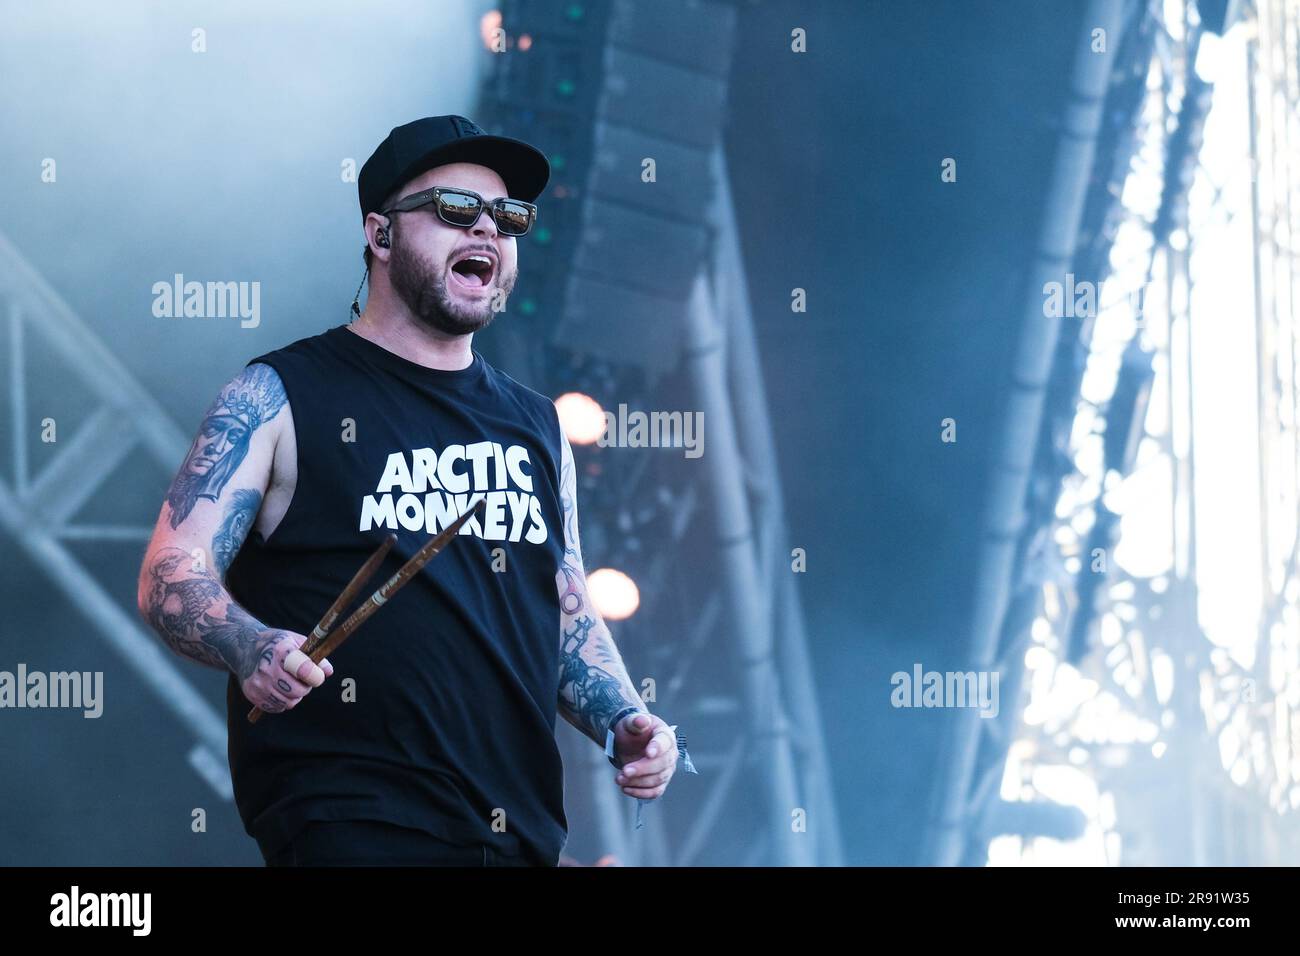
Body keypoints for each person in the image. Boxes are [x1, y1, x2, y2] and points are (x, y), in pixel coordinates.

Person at [136, 114, 682, 867]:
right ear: (380, 235)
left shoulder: (537, 426)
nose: (488, 232)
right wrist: (252, 645)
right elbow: (172, 572)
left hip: (515, 830)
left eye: (509, 218)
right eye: (456, 210)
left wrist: (625, 716)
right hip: (354, 816)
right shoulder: (281, 394)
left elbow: (566, 607)